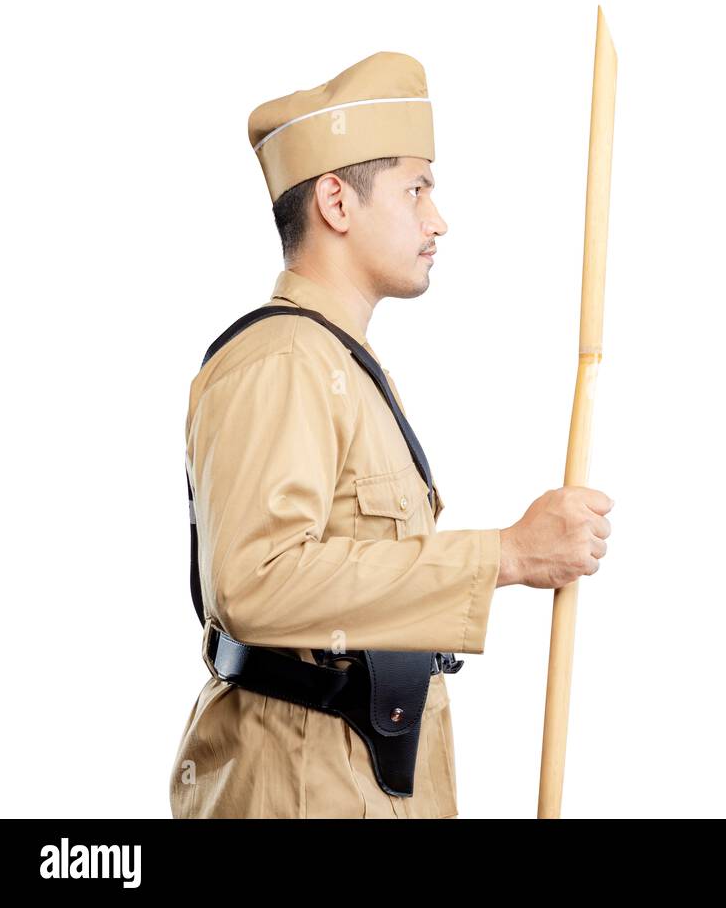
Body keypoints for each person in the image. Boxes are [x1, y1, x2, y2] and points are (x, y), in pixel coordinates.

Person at [169, 51, 613, 818]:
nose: (437, 218)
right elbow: (254, 582)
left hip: (366, 785)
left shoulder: (339, 364)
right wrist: (504, 554)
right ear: (336, 202)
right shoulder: (282, 362)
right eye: (416, 188)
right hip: (302, 794)